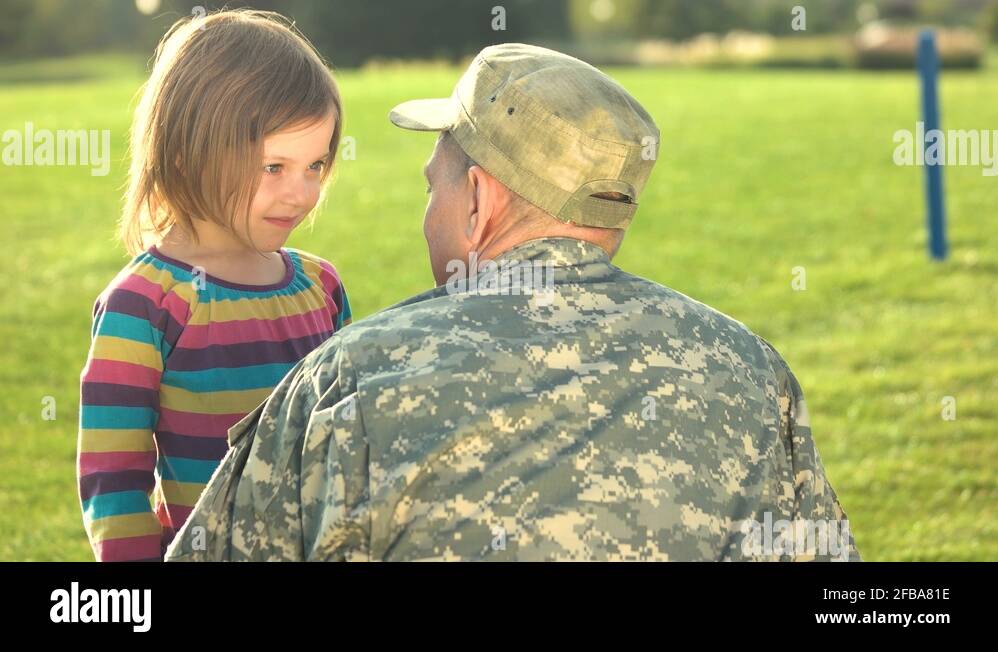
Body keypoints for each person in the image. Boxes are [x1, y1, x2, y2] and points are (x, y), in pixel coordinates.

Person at [166, 43, 860, 561]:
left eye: (432, 184)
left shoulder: (345, 381)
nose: (429, 207)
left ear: (478, 201)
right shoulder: (751, 371)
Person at [77, 9, 352, 561]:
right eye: (274, 167)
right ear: (188, 150)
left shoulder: (321, 288)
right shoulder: (146, 303)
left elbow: (347, 438)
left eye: (315, 165)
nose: (301, 193)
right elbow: (114, 480)